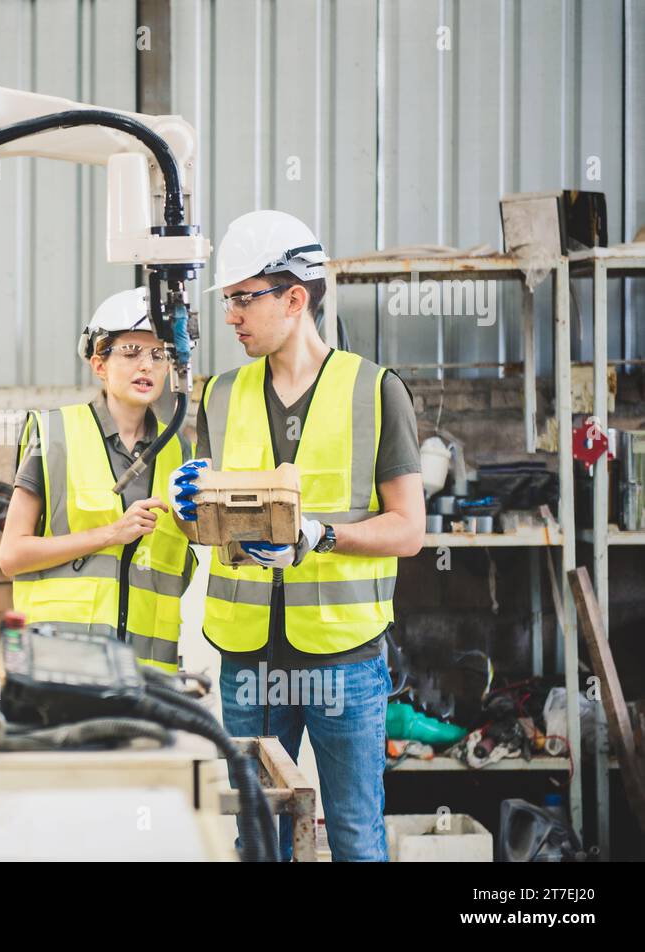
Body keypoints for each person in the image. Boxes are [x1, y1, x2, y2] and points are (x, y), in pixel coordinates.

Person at [171, 210, 425, 860]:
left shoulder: (376, 391)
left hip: (344, 655)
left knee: (353, 836)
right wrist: (185, 509)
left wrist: (320, 536)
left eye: (242, 299)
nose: (230, 316)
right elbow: (213, 525)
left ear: (294, 297)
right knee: (260, 834)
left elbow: (409, 529)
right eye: (227, 301)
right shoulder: (220, 395)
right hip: (247, 653)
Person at [0, 286, 194, 672]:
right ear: (98, 364)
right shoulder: (54, 433)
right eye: (130, 352)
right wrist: (110, 534)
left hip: (149, 671)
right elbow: (11, 556)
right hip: (64, 664)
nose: (147, 366)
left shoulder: (179, 452)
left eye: (158, 355)